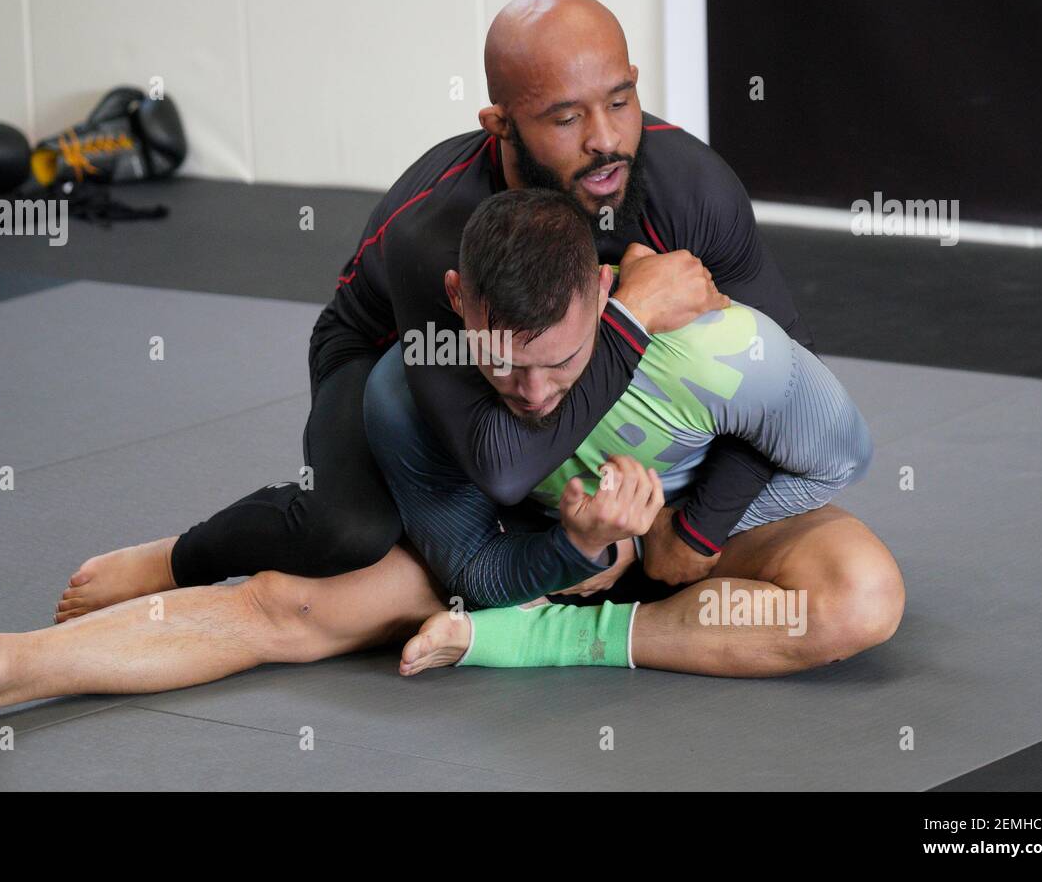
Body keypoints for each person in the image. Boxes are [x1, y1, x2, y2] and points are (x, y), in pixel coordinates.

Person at [54, 0, 804, 623]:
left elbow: (788, 383)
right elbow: (501, 465)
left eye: (621, 99)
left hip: (569, 362)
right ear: (500, 126)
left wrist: (696, 533)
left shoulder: (691, 188)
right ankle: (181, 556)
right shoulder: (439, 237)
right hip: (396, 353)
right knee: (350, 533)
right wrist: (631, 317)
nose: (607, 141)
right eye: (567, 118)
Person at [356, 187, 901, 677]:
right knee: (301, 611)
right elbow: (474, 571)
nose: (533, 391)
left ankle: (551, 640)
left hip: (700, 538)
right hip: (536, 558)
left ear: (602, 291)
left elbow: (842, 460)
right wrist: (578, 544)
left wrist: (662, 537)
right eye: (501, 362)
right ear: (456, 298)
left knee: (862, 596)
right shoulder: (406, 393)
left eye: (562, 361)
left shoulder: (712, 348)